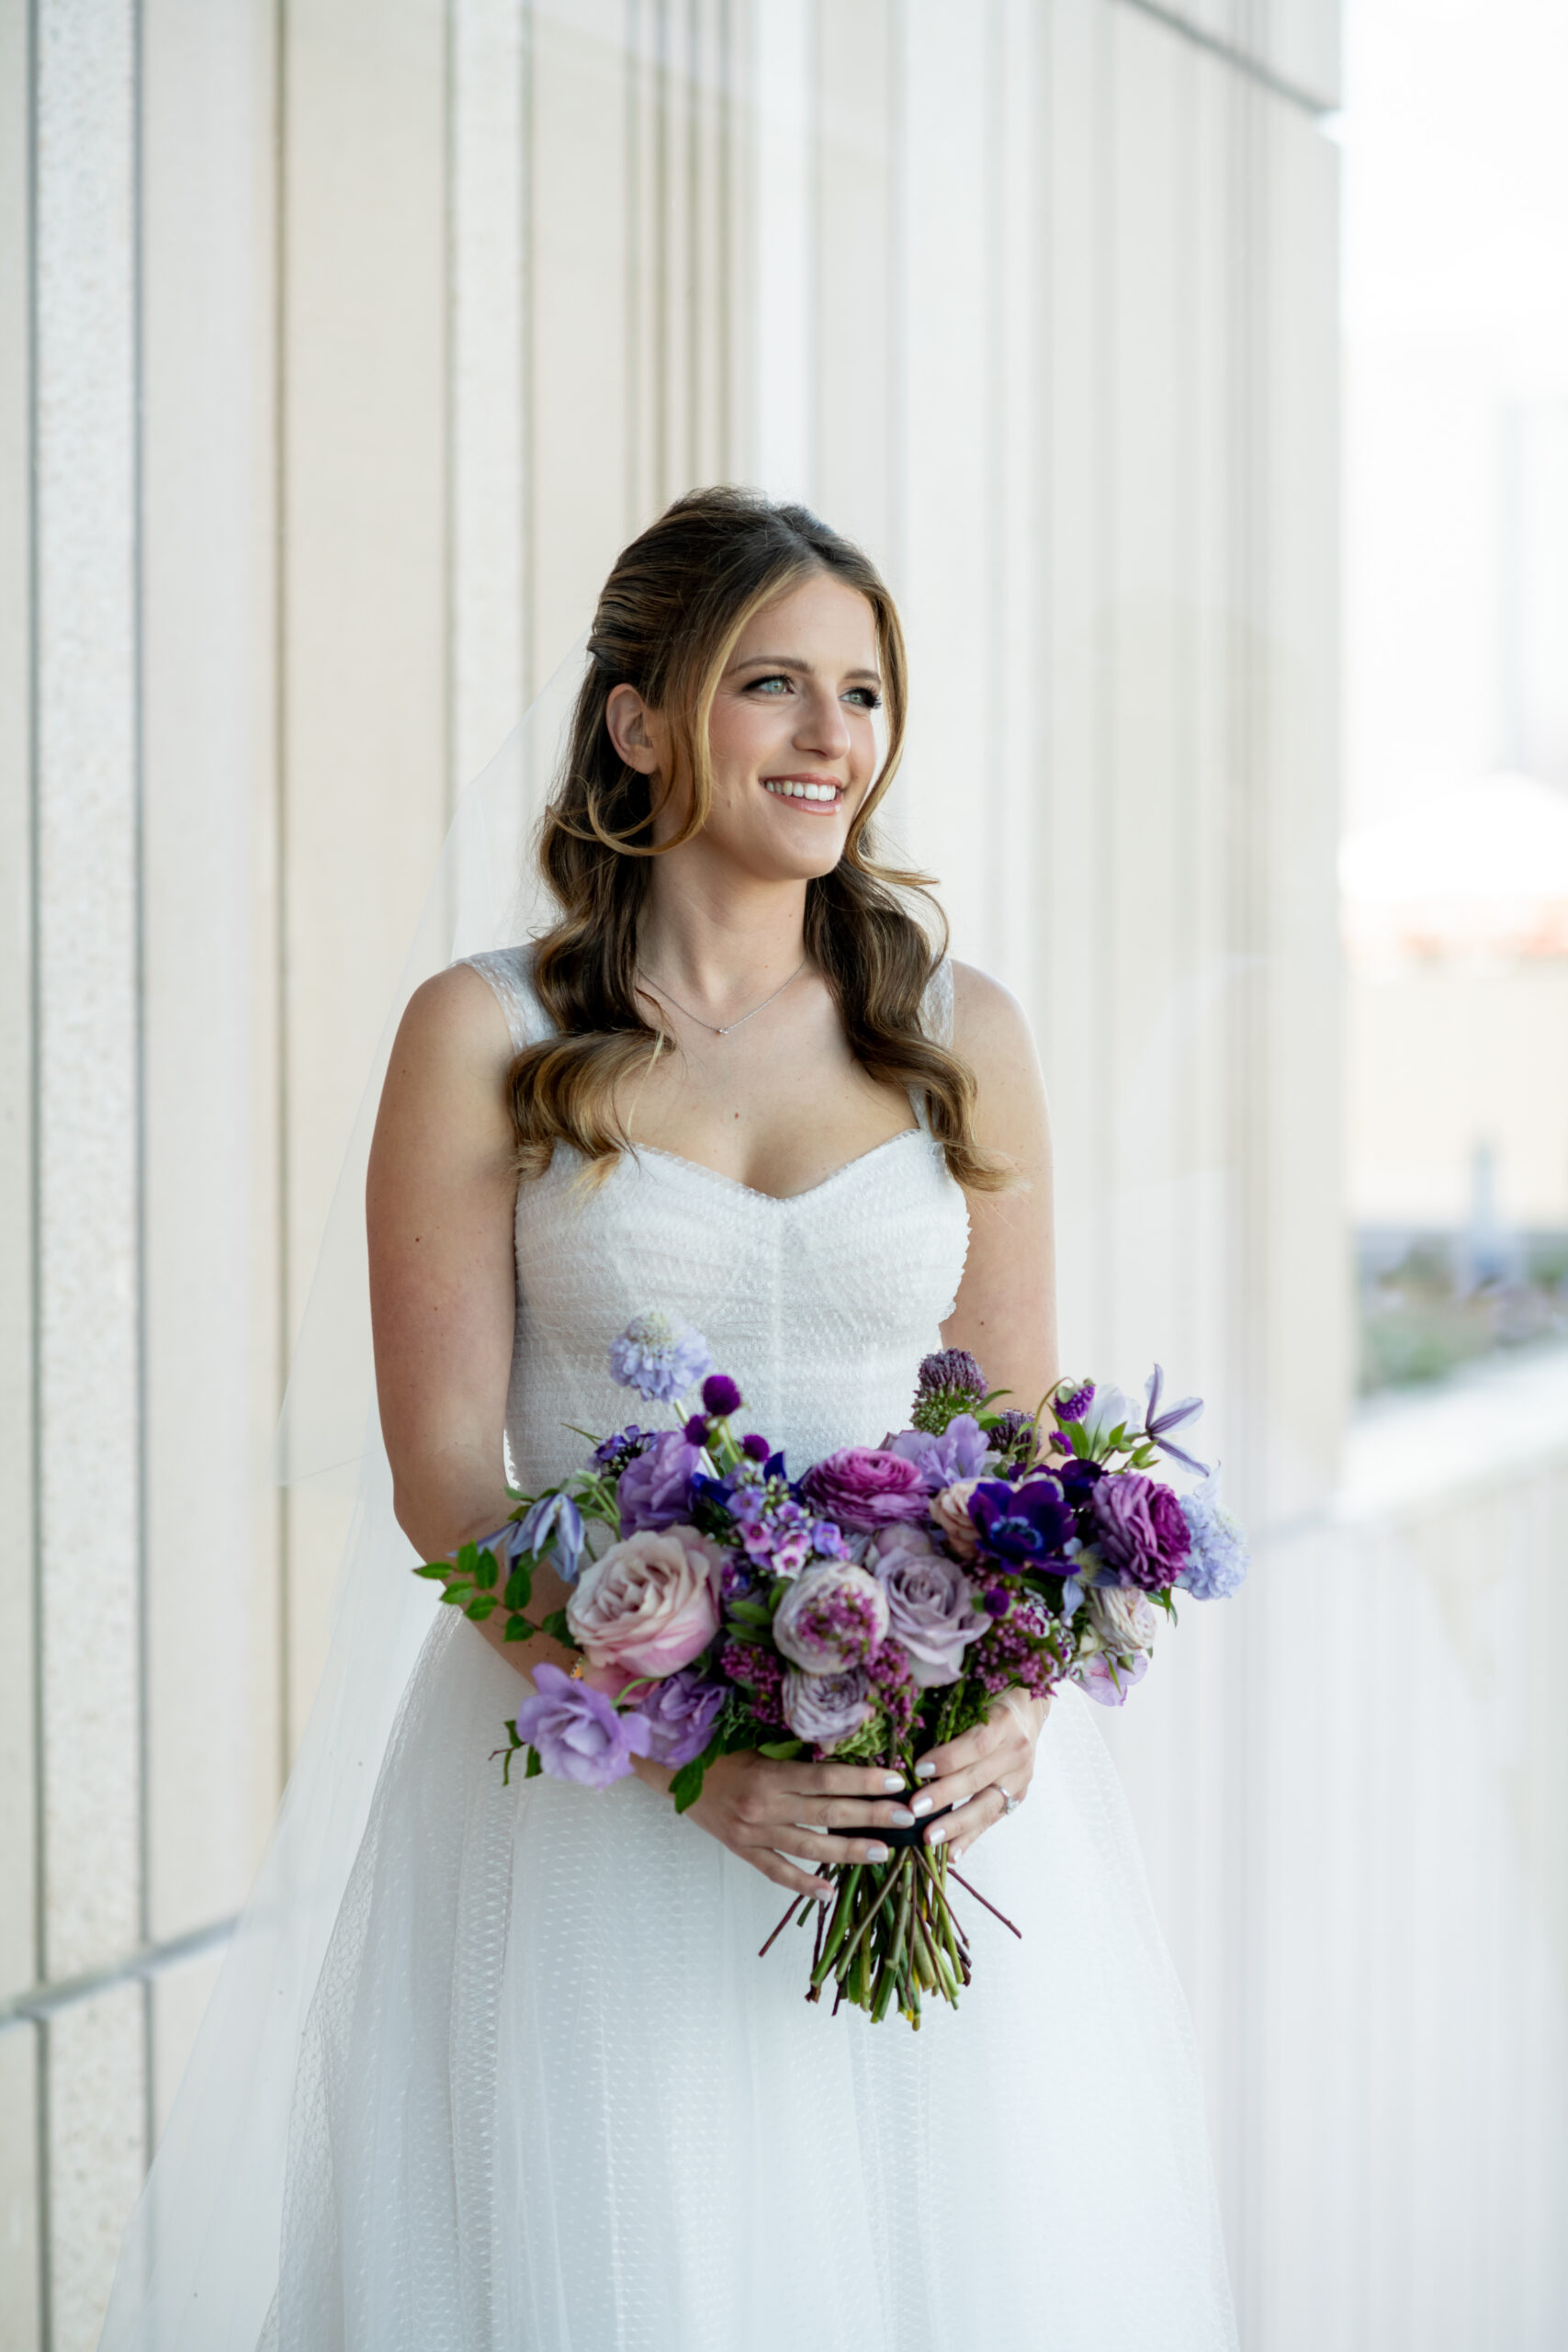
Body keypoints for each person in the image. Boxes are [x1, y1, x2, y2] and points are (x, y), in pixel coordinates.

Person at [182, 489, 1237, 2349]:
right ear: (638, 718)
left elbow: (1010, 1440)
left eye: (861, 690)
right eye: (771, 684)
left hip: (908, 1791)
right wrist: (693, 1753)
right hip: (583, 1792)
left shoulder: (958, 1028)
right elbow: (446, 1479)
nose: (833, 737)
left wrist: (1011, 1693)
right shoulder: (482, 1033)